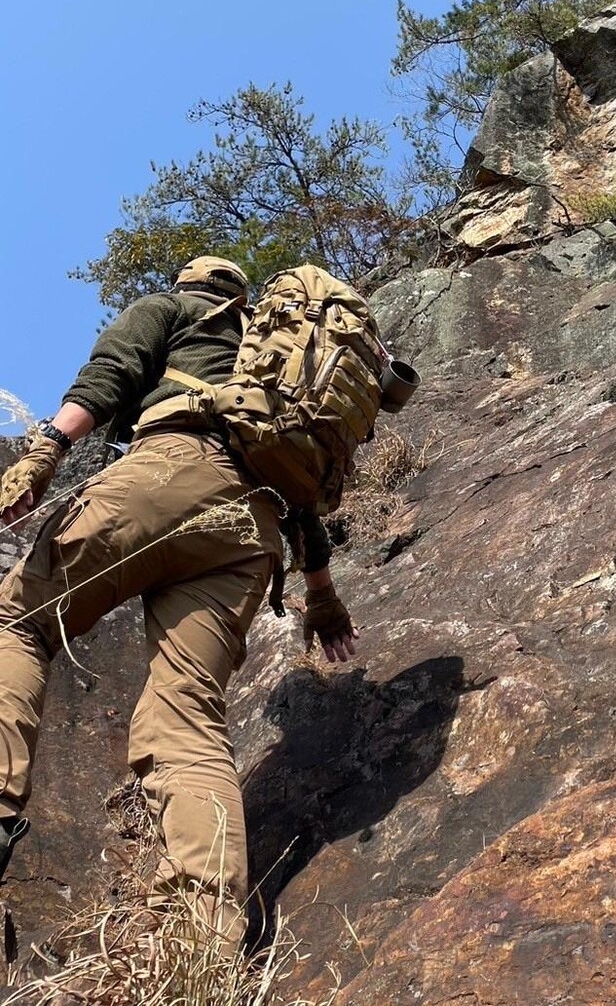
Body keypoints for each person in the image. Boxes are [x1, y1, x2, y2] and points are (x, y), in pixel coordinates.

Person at [0, 256, 356, 948]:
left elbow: (111, 373)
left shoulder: (174, 308)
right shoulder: (271, 373)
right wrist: (323, 595)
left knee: (18, 617)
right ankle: (200, 943)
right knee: (189, 718)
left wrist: (45, 451)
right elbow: (302, 501)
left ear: (191, 281)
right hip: (253, 531)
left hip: (167, 472)